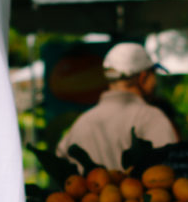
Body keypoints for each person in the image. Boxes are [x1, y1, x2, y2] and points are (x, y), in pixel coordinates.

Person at [57, 41, 178, 172]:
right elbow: (170, 169)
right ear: (143, 77)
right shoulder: (150, 117)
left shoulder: (82, 122)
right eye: (153, 74)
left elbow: (60, 159)